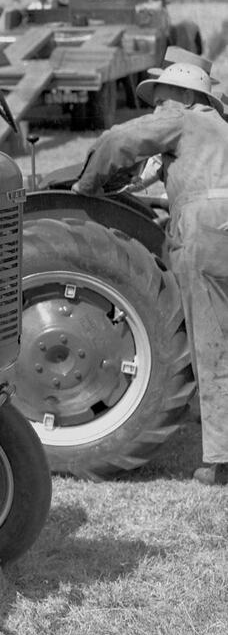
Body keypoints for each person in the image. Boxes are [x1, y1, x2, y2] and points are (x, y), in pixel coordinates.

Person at [73, 49, 228, 488]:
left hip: (208, 227)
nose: (158, 108)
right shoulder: (219, 128)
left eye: (161, 99)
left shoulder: (182, 119)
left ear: (183, 95)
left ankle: (220, 460)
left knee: (212, 339)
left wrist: (87, 185)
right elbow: (147, 174)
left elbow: (117, 141)